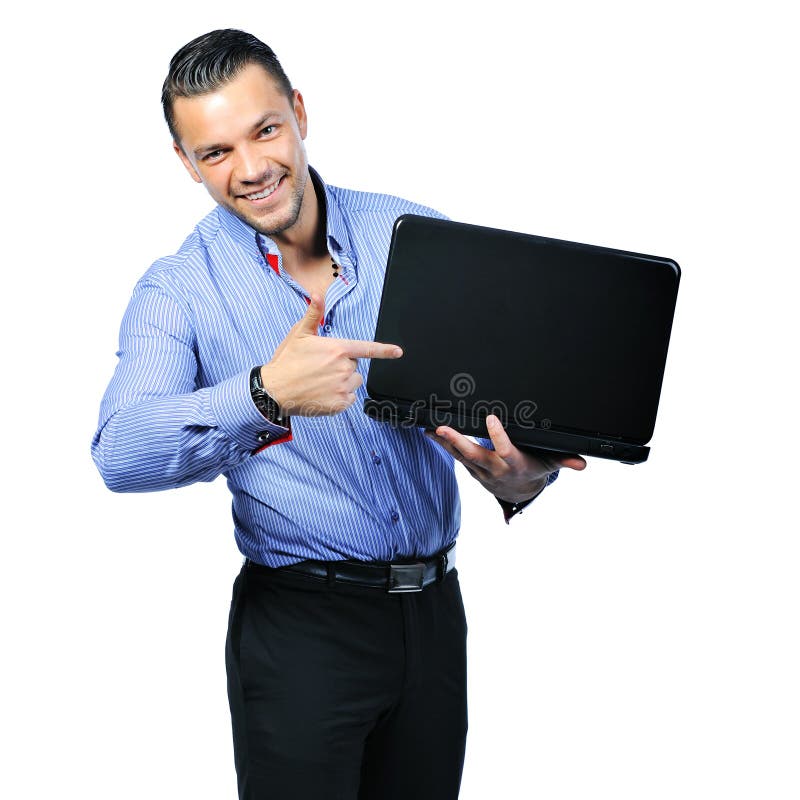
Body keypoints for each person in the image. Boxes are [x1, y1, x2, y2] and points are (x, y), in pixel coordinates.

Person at [92, 28, 586, 800]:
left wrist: (519, 481)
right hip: (299, 633)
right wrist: (264, 394)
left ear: (297, 112)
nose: (251, 169)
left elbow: (490, 403)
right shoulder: (176, 292)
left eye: (264, 130)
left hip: (433, 616)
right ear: (187, 164)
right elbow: (119, 451)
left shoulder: (412, 236)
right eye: (216, 152)